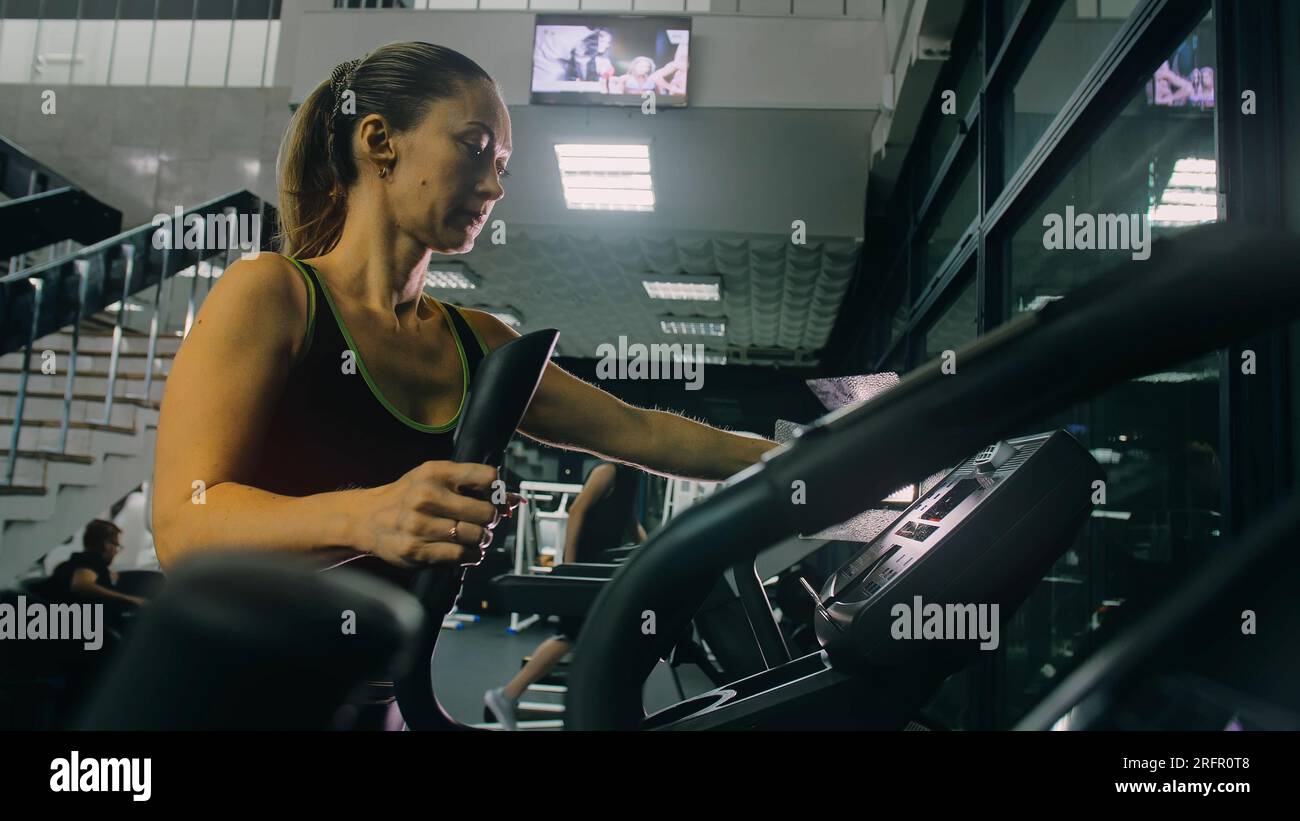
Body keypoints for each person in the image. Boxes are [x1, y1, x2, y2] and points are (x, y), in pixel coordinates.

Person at [150, 42, 774, 729]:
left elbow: (643, 432)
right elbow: (185, 524)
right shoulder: (273, 294)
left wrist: (818, 462)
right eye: (476, 147)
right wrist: (370, 515)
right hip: (230, 700)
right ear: (379, 141)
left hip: (377, 707)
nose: (495, 187)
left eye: (503, 165)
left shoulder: (477, 341)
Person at [484, 462, 645, 730]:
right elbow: (576, 510)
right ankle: (506, 695)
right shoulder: (608, 471)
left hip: (602, 571)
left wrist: (653, 550)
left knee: (588, 636)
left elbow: (629, 519)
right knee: (571, 636)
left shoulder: (632, 477)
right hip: (585, 566)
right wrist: (570, 568)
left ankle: (606, 709)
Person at [49, 519, 147, 624]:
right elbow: (80, 585)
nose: (117, 552)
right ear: (107, 544)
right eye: (117, 545)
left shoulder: (69, 564)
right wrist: (131, 599)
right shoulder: (93, 559)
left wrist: (106, 575)